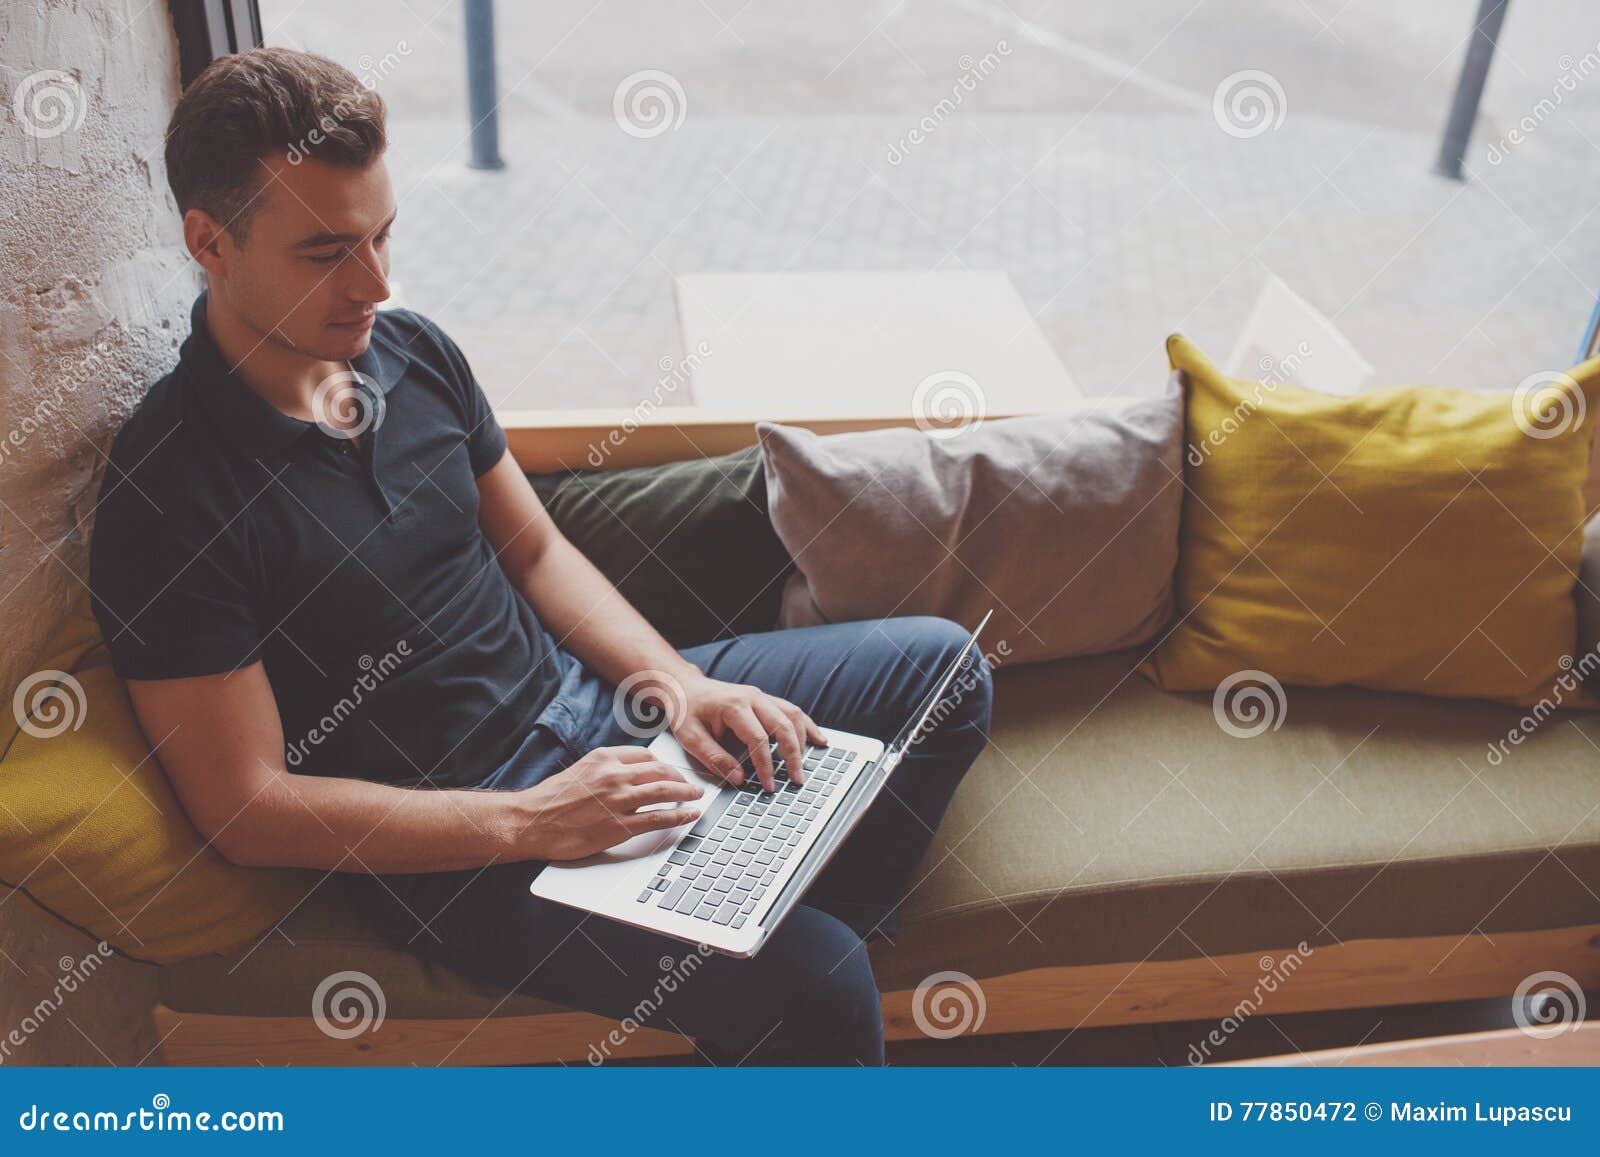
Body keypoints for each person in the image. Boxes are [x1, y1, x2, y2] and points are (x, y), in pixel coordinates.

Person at [88, 47, 993, 1065]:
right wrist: (531, 821)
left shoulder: (414, 352)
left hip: (590, 712)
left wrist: (678, 685)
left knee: (945, 671)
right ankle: (769, 972)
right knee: (820, 983)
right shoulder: (167, 492)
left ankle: (745, 931)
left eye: (384, 236)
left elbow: (536, 553)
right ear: (209, 241)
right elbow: (248, 808)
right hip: (464, 846)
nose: (376, 284)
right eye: (327, 251)